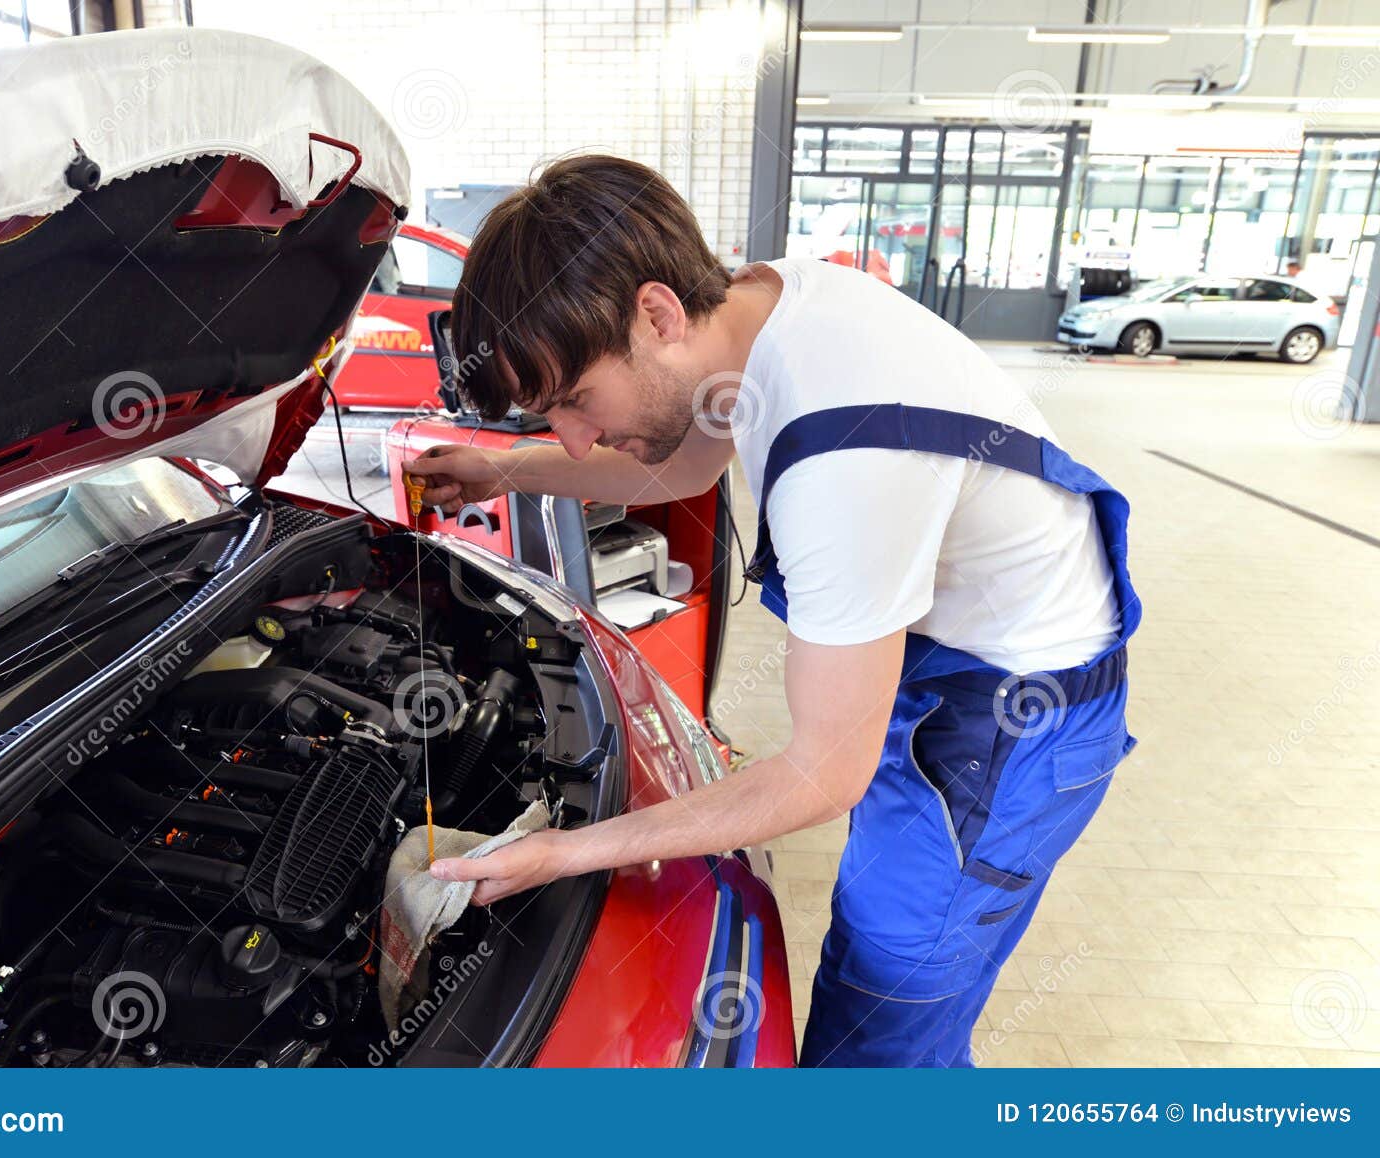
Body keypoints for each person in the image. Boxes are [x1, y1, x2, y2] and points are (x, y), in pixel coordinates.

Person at [403, 155, 1139, 1067]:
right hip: (943, 672)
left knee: (878, 1031)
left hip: (1010, 727)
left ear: (657, 314)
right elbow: (680, 467)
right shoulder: (755, 305)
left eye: (577, 402)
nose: (575, 441)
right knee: (887, 987)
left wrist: (567, 851)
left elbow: (823, 773)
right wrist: (502, 468)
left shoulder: (846, 458)